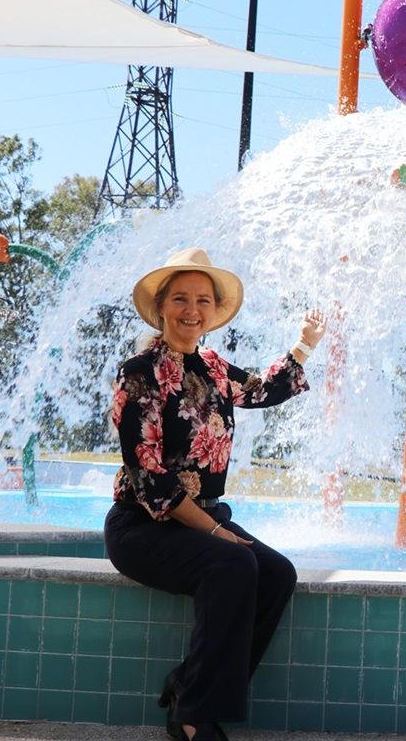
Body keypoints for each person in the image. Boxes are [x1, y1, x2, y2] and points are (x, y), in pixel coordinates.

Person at [103, 248, 326, 741]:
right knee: (233, 563)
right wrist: (218, 532)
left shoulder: (213, 366)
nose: (192, 308)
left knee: (277, 573)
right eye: (181, 297)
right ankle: (192, 716)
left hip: (201, 517)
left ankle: (191, 682)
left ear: (213, 311)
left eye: (203, 300)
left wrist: (304, 345)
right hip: (144, 525)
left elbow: (265, 390)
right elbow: (149, 478)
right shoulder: (139, 372)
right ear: (162, 306)